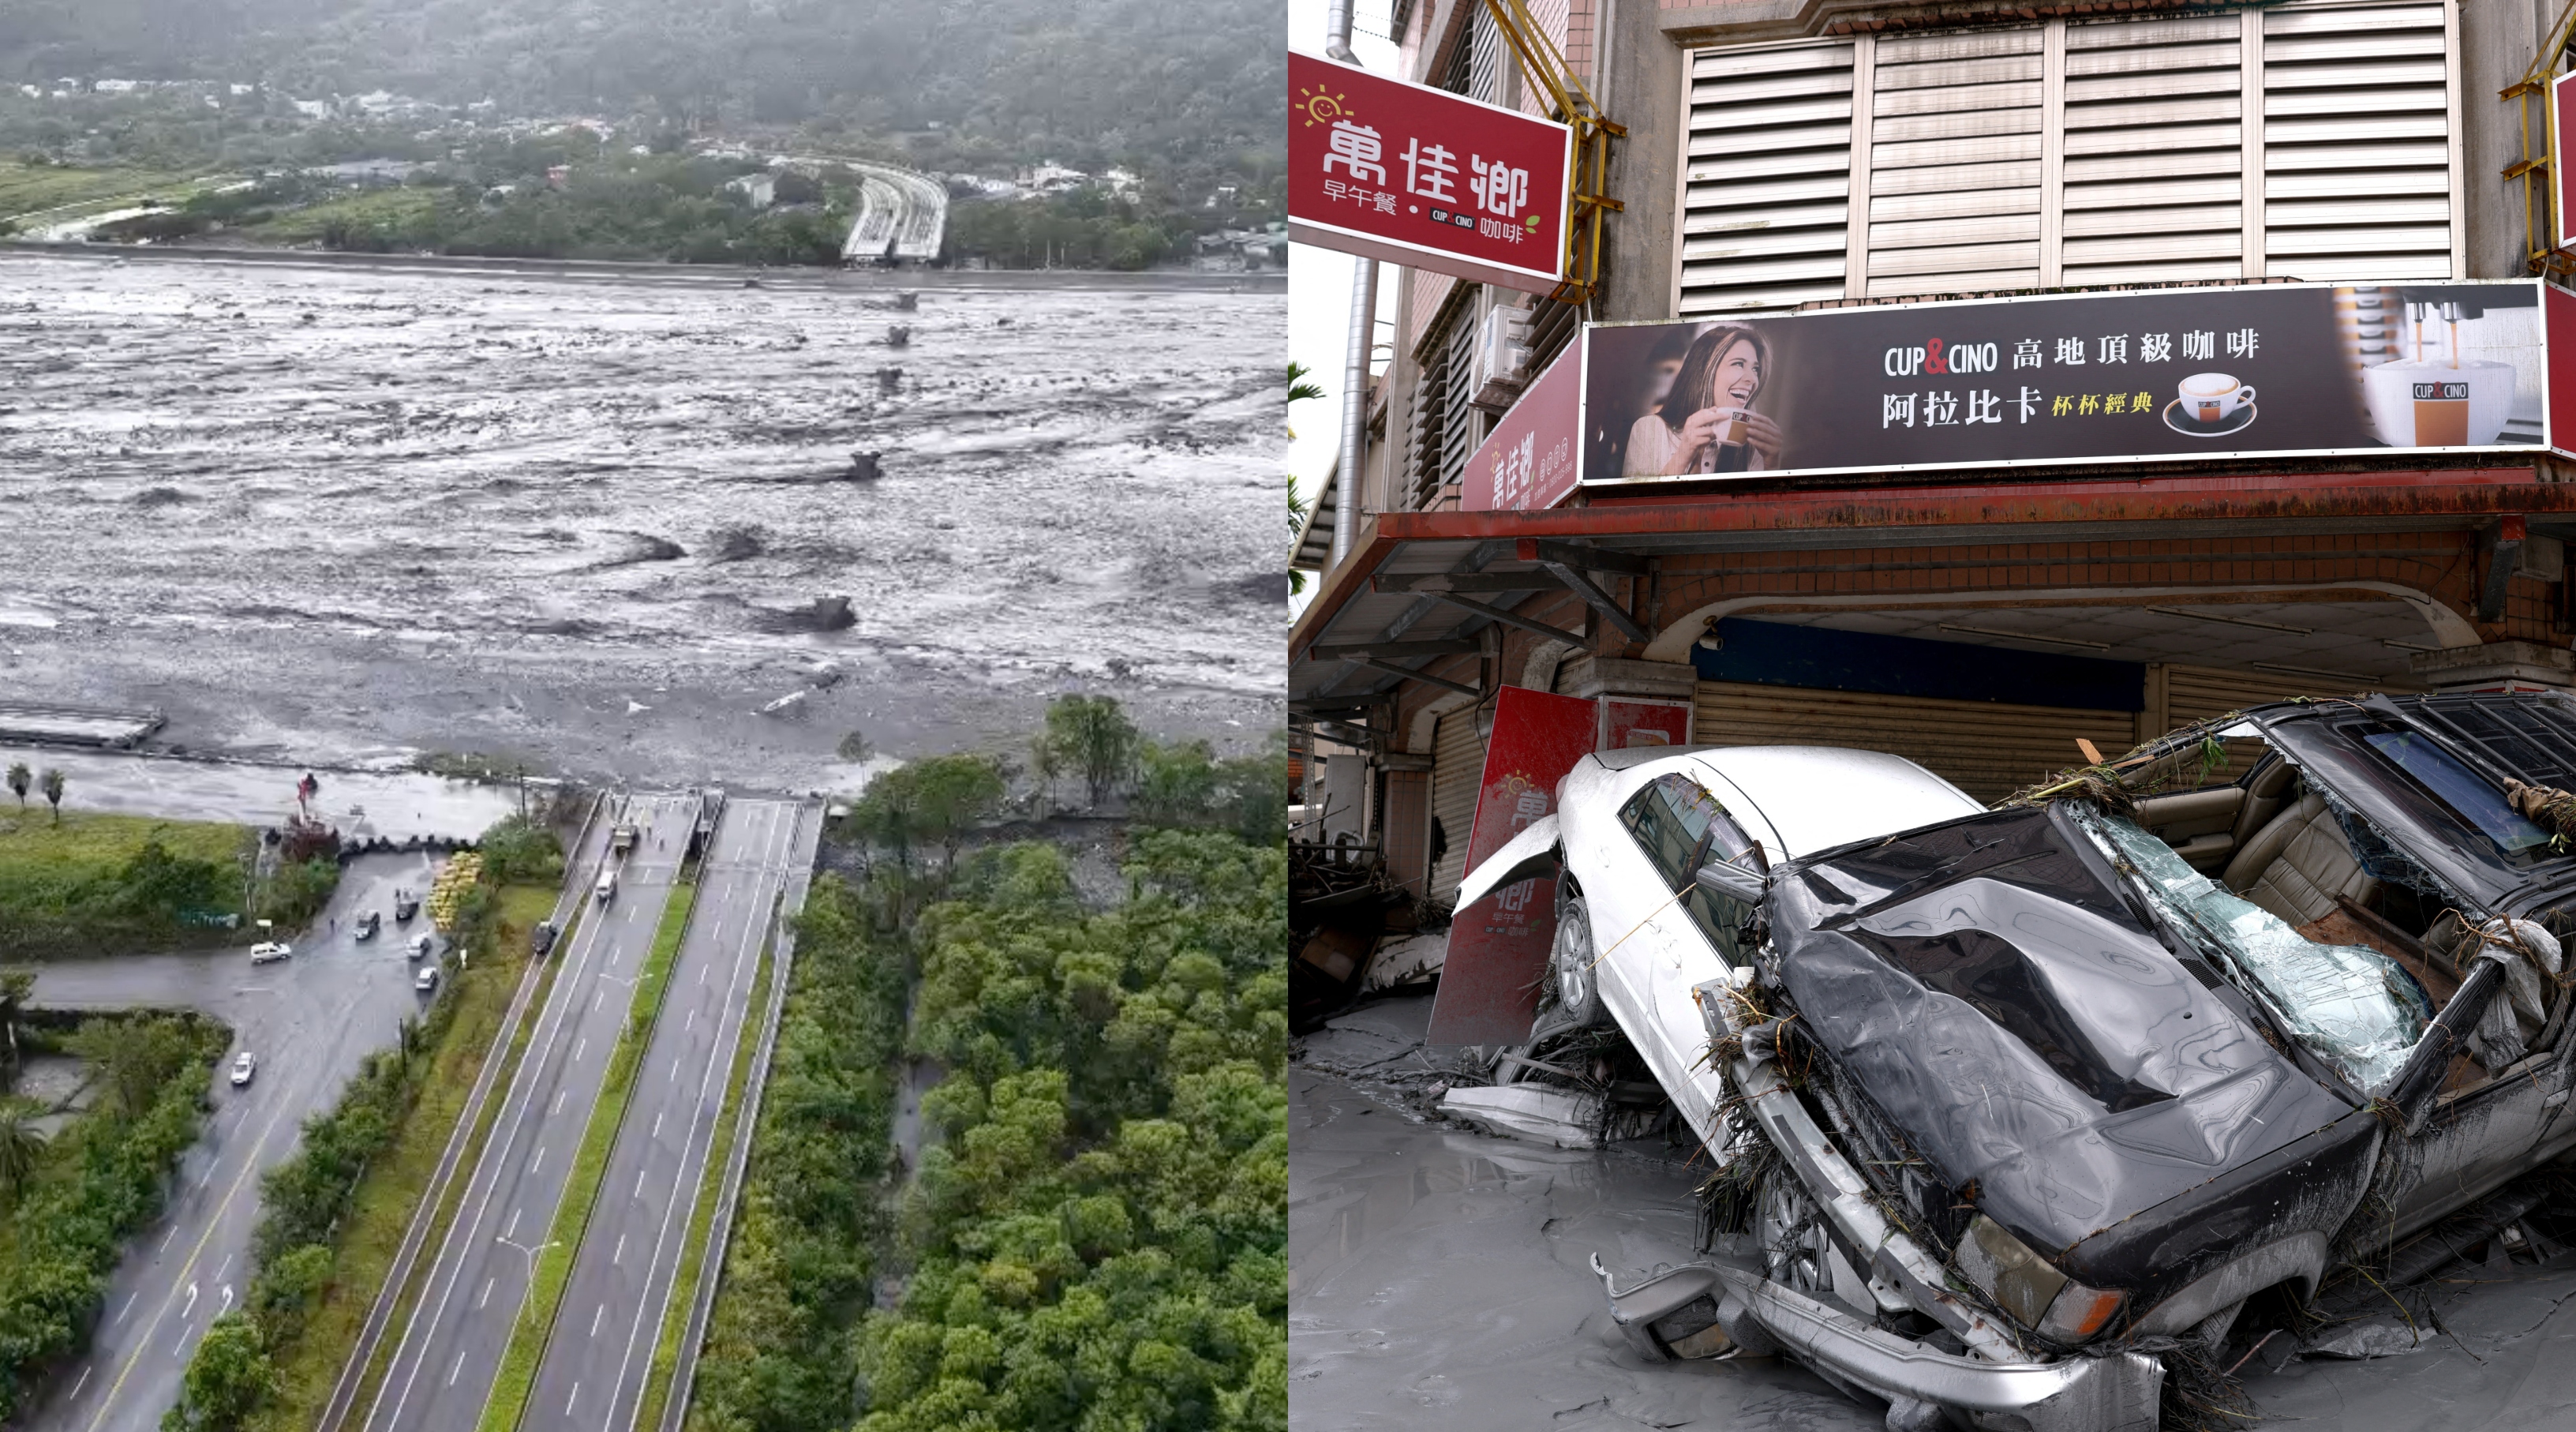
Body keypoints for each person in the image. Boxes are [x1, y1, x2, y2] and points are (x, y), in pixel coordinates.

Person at [1624, 324, 1785, 475]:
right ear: (1703, 371)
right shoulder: (1650, 429)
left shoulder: (1752, 450)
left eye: (1755, 369)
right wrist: (1684, 454)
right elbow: (1640, 503)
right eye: (1738, 364)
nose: (1752, 379)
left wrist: (1771, 466)